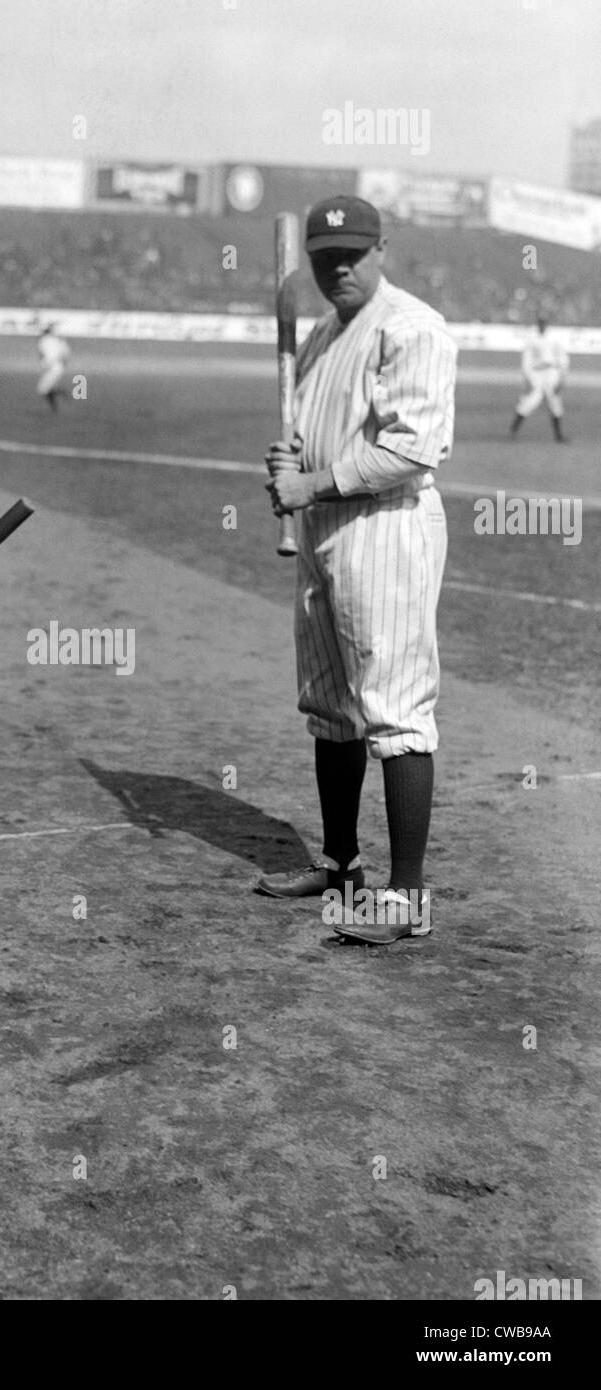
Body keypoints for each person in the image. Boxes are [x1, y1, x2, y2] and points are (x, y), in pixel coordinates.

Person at [260, 195, 458, 945]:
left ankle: (407, 899)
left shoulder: (411, 327)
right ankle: (341, 865)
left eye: (353, 253)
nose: (338, 266)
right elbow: (313, 439)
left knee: (395, 706)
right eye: (324, 256)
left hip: (388, 527)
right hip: (325, 528)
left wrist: (310, 483)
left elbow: (414, 449)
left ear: (382, 250)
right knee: (330, 700)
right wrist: (289, 465)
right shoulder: (321, 332)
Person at [510, 316, 569, 442]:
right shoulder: (532, 339)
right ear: (538, 324)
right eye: (540, 323)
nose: (542, 325)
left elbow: (562, 357)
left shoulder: (554, 338)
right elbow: (526, 360)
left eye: (544, 323)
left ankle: (558, 435)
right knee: (530, 401)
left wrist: (562, 378)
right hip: (537, 373)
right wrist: (527, 378)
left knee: (554, 402)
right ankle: (514, 430)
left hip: (552, 372)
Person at [36, 323, 70, 412]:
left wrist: (44, 363)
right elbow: (66, 353)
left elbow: (42, 355)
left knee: (42, 389)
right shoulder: (59, 340)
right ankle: (57, 404)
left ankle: (58, 402)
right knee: (44, 389)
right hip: (58, 367)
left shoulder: (43, 341)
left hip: (52, 368)